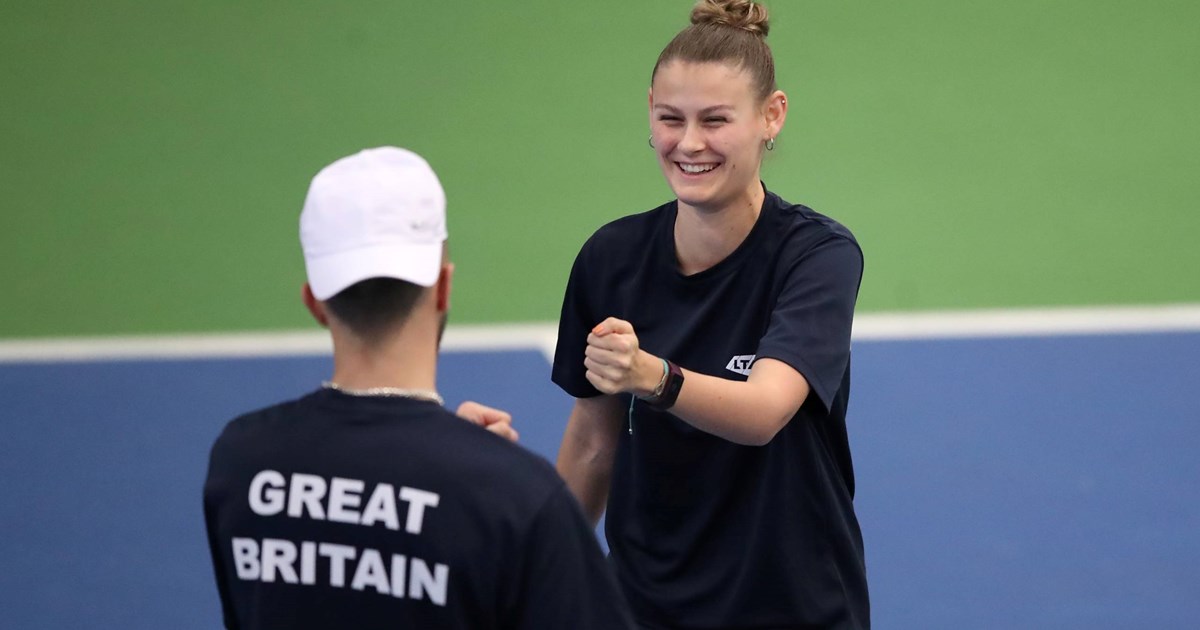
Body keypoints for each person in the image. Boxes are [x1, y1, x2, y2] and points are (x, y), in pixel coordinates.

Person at [204, 146, 634, 629]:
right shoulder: (517, 498)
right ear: (444, 287)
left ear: (315, 301)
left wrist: (453, 467)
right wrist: (467, 476)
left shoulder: (239, 460)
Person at [552, 1, 869, 628]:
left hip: (791, 606)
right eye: (671, 118)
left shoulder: (817, 257)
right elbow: (592, 444)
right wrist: (528, 574)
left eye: (715, 120)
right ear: (649, 110)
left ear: (770, 116)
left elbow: (763, 413)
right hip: (644, 605)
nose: (689, 144)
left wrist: (651, 376)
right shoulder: (610, 258)